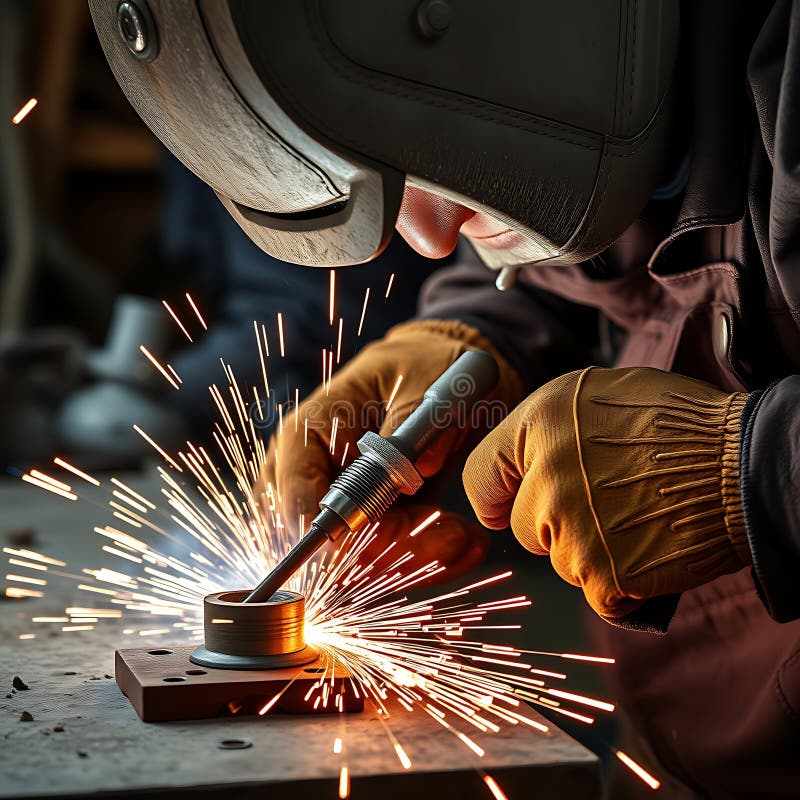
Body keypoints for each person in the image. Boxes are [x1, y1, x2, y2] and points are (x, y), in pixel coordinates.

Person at [91, 1, 800, 795]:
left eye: (428, 164)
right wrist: (477, 330)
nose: (428, 240)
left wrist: (754, 467)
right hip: (694, 738)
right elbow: (581, 245)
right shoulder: (604, 75)